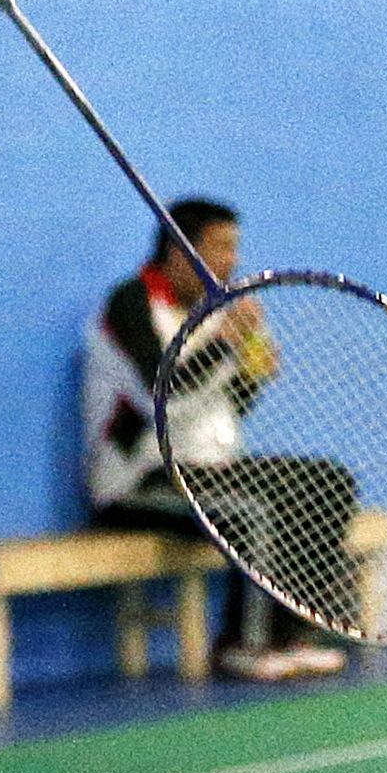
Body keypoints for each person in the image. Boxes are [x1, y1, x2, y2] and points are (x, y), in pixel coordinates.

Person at [84, 198, 353, 678]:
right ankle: (241, 645)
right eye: (222, 248)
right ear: (180, 250)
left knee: (326, 483)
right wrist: (223, 346)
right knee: (253, 512)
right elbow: (159, 397)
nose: (232, 261)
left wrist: (252, 373)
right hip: (138, 483)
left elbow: (226, 411)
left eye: (235, 249)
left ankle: (290, 634)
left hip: (210, 469)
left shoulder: (212, 311)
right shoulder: (130, 303)